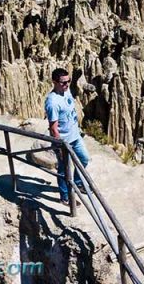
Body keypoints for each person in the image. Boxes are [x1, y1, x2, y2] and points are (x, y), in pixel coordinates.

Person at [44, 67, 90, 207]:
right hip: (64, 142)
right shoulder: (52, 102)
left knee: (84, 159)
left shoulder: (66, 90)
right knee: (64, 170)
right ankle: (65, 197)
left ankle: (76, 184)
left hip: (75, 137)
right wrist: (60, 146)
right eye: (63, 82)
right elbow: (53, 128)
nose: (66, 84)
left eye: (68, 81)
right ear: (54, 82)